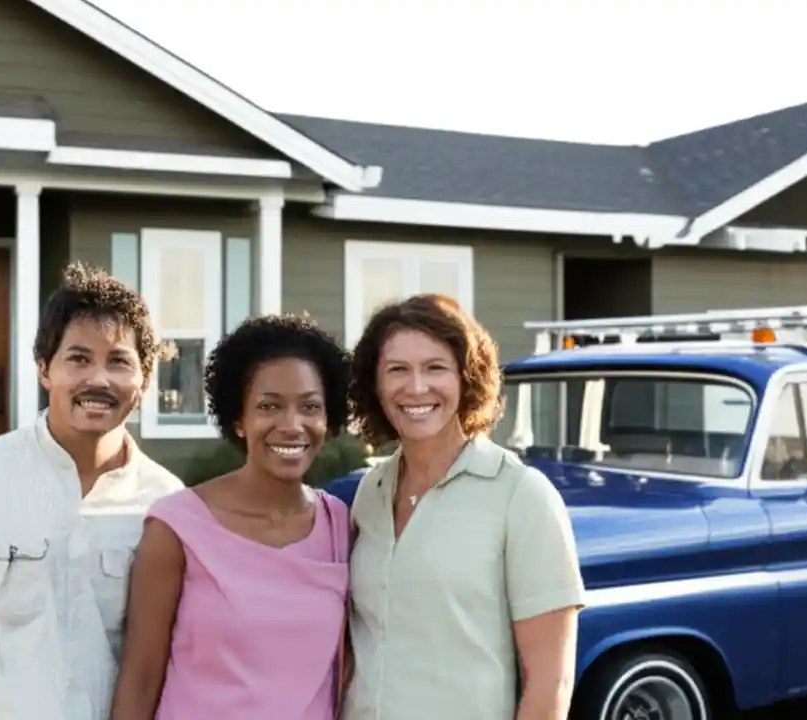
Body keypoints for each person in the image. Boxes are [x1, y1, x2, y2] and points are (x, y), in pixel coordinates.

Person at [0, 262, 185, 720]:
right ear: (45, 369)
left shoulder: (166, 504)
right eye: (78, 358)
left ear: (144, 379)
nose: (98, 379)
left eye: (119, 361)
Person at [343, 293, 585, 720]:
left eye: (435, 367)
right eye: (397, 370)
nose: (416, 387)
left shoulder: (521, 495)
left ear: (466, 377)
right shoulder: (371, 491)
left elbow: (550, 684)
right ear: (375, 385)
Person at [110, 314, 353, 720]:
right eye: (269, 406)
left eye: (310, 407)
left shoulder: (340, 524)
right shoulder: (177, 528)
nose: (292, 425)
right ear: (239, 419)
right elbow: (140, 680)